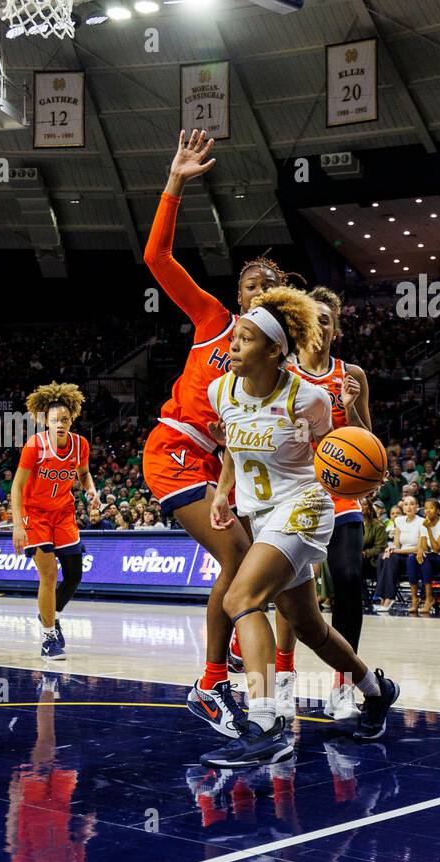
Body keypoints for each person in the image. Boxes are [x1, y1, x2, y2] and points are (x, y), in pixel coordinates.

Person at [202, 287, 398, 768]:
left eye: (246, 339)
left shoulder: (307, 398)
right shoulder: (219, 391)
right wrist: (225, 490)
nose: (233, 346)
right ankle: (375, 690)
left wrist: (366, 474)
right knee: (310, 627)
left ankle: (266, 721)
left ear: (274, 350)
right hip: (264, 515)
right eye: (234, 337)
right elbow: (232, 447)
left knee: (239, 599)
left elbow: (338, 453)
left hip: (305, 507)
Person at [144, 129, 284, 741]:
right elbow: (156, 260)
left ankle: (227, 663)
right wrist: (176, 182)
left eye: (270, 288)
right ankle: (208, 682)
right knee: (236, 558)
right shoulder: (211, 321)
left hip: (218, 470)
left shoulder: (277, 369)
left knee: (251, 568)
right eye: (252, 283)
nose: (259, 292)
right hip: (175, 451)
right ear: (238, 294)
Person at [281, 286, 372, 719]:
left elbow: (369, 445)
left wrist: (350, 408)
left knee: (349, 579)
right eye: (312, 318)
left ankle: (343, 685)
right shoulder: (281, 375)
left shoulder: (350, 374)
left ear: (335, 330)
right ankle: (282, 676)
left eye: (327, 319)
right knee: (288, 591)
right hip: (295, 493)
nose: (319, 325)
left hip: (339, 495)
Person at [10, 383, 97, 660]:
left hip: (63, 513)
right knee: (48, 575)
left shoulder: (80, 444)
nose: (60, 425)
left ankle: (48, 614)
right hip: (34, 514)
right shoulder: (35, 446)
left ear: (72, 420)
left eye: (65, 420)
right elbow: (16, 487)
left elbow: (83, 474)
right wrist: (17, 525)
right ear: (43, 421)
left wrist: (90, 489)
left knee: (74, 575)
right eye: (54, 420)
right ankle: (49, 638)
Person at [375, 496, 422, 613]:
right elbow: (396, 544)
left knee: (392, 559)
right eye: (406, 504)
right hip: (400, 556)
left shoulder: (422, 522)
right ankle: (382, 598)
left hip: (414, 557)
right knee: (382, 557)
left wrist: (397, 551)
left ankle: (389, 598)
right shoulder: (399, 520)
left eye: (412, 504)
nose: (408, 507)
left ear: (417, 507)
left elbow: (419, 548)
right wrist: (390, 549)